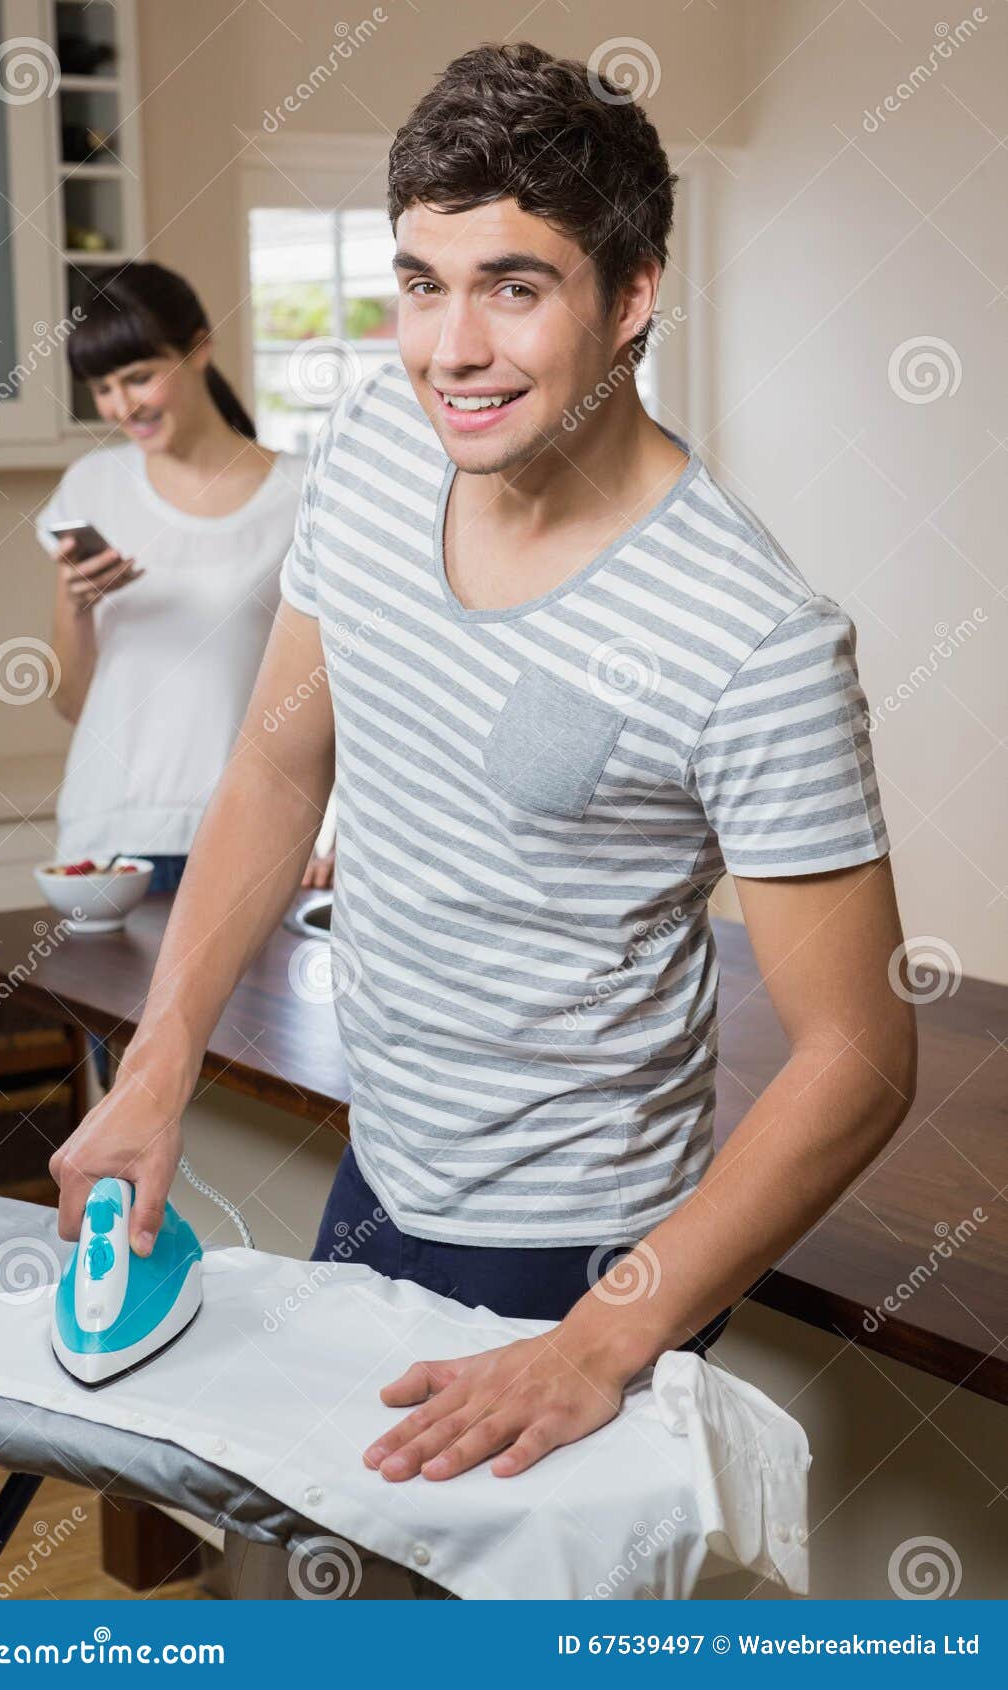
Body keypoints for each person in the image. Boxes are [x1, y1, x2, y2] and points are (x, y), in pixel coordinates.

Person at [49, 45, 917, 1493]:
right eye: (419, 282)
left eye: (512, 287)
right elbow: (277, 771)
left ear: (630, 295)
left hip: (579, 1247)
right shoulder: (376, 455)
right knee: (334, 1598)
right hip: (379, 1178)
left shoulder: (751, 635)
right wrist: (157, 1065)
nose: (447, 347)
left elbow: (857, 1058)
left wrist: (597, 1341)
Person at [34, 264, 333, 1082]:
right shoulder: (89, 488)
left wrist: (332, 825)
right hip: (109, 844)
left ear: (199, 348)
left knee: (257, 1096)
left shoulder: (302, 496)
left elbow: (339, 693)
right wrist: (76, 604)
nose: (122, 406)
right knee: (127, 1106)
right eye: (102, 387)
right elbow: (71, 702)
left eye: (138, 375)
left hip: (248, 843)